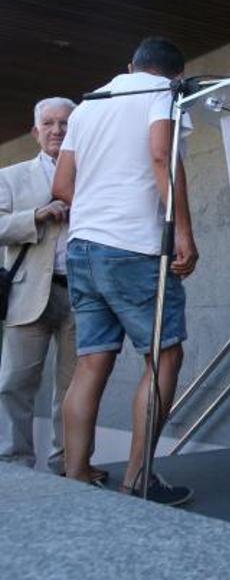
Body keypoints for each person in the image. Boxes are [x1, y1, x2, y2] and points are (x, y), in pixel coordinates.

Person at [52, 36, 198, 506]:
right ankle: (138, 479)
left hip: (82, 247)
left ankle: (75, 475)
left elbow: (61, 184)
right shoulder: (161, 93)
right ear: (176, 75)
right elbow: (161, 155)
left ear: (129, 64)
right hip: (133, 247)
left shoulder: (90, 103)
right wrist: (183, 233)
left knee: (91, 360)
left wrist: (97, 213)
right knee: (164, 355)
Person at [0, 98, 104, 485]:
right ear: (35, 131)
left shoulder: (93, 174)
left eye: (65, 123)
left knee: (75, 387)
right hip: (28, 296)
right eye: (49, 123)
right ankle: (13, 466)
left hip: (82, 295)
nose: (58, 130)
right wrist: (34, 216)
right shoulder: (10, 177)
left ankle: (70, 464)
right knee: (13, 385)